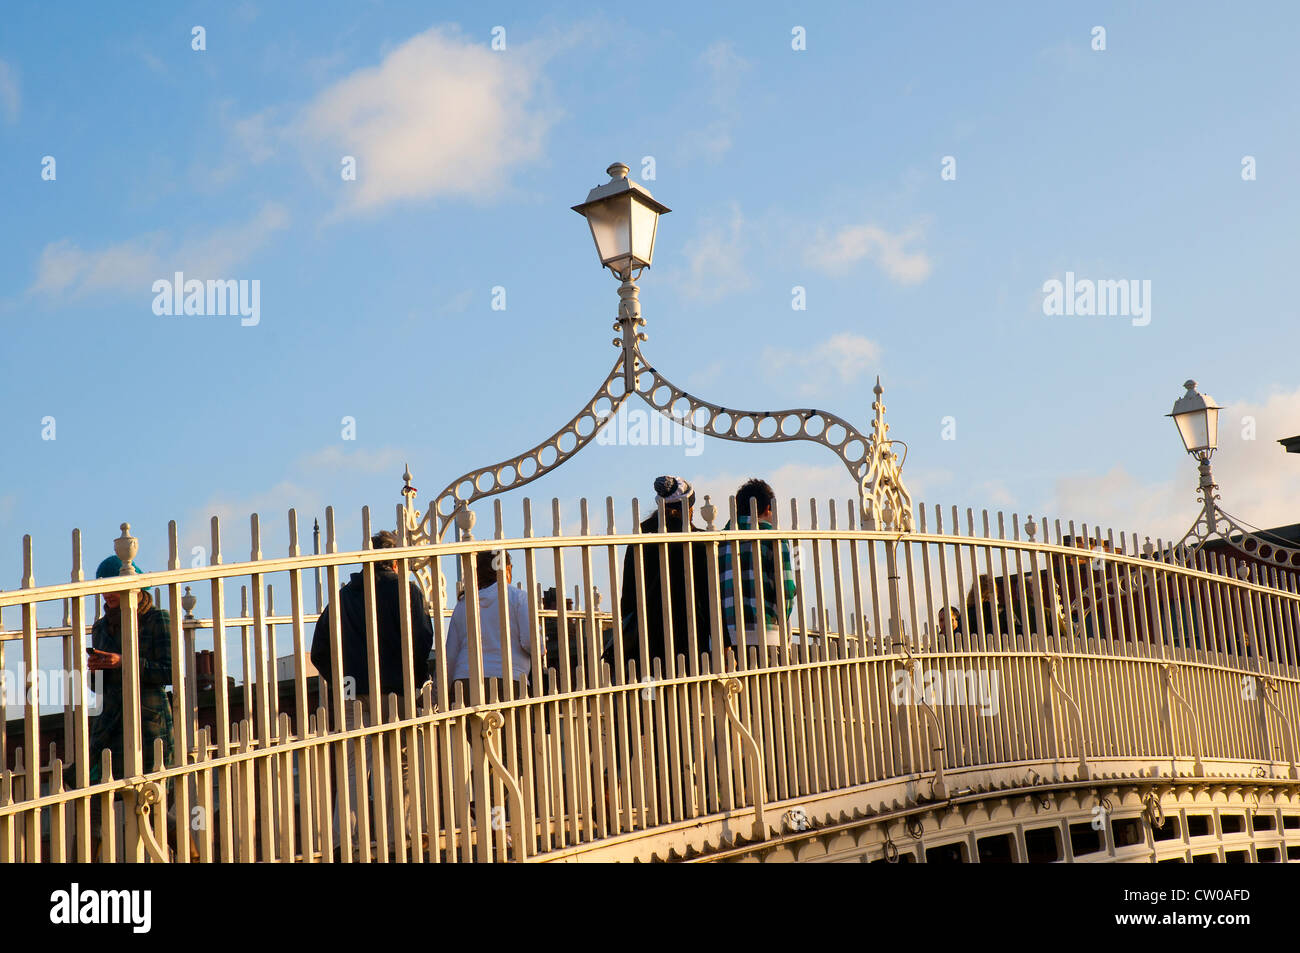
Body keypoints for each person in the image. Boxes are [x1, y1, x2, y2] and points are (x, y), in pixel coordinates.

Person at [310, 529, 435, 857]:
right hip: (399, 690)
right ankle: (401, 837)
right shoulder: (407, 592)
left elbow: (319, 651)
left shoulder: (343, 597)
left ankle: (342, 841)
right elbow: (423, 640)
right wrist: (416, 675)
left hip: (355, 691)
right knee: (401, 766)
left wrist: (343, 681)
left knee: (354, 768)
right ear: (394, 560)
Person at [608, 475, 713, 679]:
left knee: (652, 706)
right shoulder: (700, 541)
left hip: (647, 642)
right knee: (689, 704)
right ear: (689, 508)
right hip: (691, 640)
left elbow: (627, 600)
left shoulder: (641, 536)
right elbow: (709, 600)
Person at [84, 555, 175, 781]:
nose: (107, 594)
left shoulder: (157, 619)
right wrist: (95, 672)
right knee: (96, 796)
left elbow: (169, 671)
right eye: (103, 587)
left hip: (149, 720)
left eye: (113, 586)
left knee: (155, 791)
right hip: (110, 722)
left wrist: (125, 661)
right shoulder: (100, 627)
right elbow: (98, 687)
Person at [443, 549, 533, 701]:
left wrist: (443, 691)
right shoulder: (518, 597)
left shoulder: (464, 603)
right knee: (513, 724)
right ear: (507, 569)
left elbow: (450, 655)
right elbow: (531, 642)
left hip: (466, 680)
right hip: (510, 679)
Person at [720, 478, 798, 649]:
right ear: (768, 508)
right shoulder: (774, 538)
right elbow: (786, 589)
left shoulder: (718, 541)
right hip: (766, 634)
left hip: (726, 639)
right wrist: (780, 620)